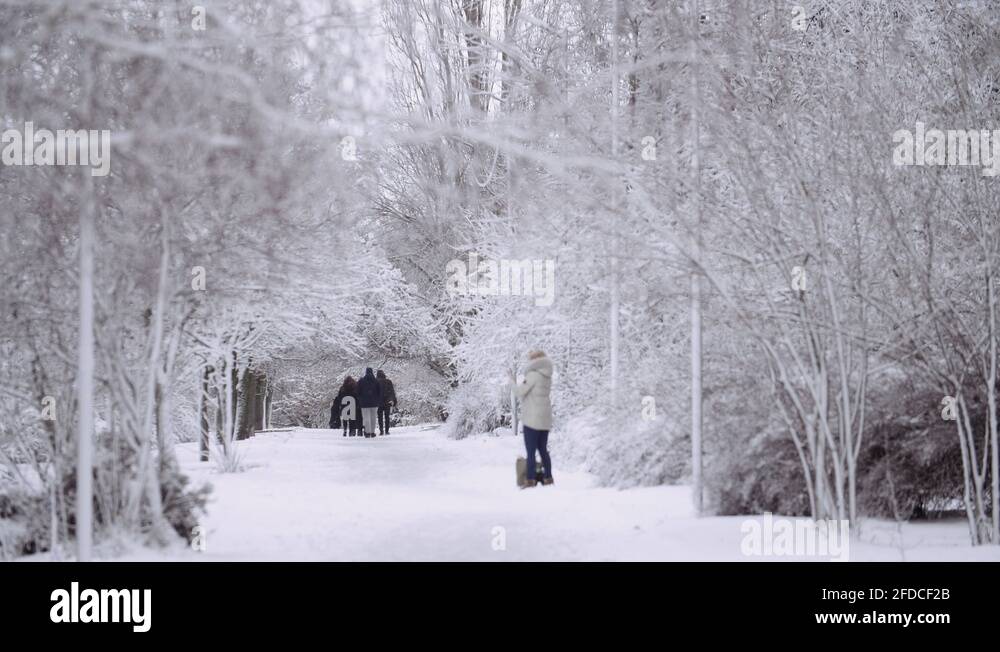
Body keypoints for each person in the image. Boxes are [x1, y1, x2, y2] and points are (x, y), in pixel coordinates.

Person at [509, 350, 554, 488]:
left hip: (532, 419)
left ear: (534, 361)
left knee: (531, 450)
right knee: (543, 449)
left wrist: (511, 381)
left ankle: (530, 479)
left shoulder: (533, 375)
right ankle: (548, 478)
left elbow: (520, 392)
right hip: (545, 419)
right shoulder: (547, 376)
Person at [355, 367, 383, 438]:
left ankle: (367, 432)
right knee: (373, 418)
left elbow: (357, 392)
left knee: (366, 418)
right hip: (374, 403)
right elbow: (379, 392)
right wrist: (378, 400)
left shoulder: (361, 381)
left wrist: (360, 399)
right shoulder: (376, 381)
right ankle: (372, 432)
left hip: (364, 403)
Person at [376, 370, 397, 436]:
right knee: (387, 416)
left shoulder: (375, 382)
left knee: (380, 417)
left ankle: (381, 430)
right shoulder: (388, 382)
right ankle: (387, 430)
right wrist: (394, 400)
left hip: (379, 402)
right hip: (387, 401)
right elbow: (392, 392)